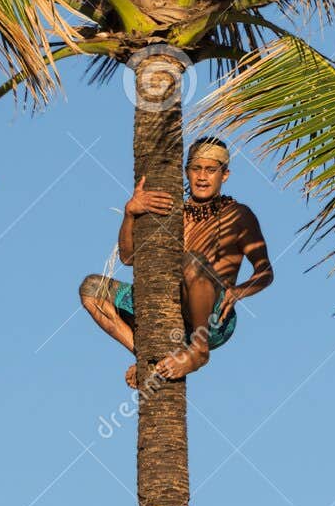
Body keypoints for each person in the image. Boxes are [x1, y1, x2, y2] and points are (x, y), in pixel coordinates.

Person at [79, 135, 274, 388]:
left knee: (193, 261)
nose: (202, 177)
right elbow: (129, 257)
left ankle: (198, 352)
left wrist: (239, 291)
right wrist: (130, 213)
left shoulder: (238, 215)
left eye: (210, 170)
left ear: (224, 175)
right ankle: (146, 358)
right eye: (196, 169)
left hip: (213, 319)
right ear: (186, 172)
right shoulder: (170, 211)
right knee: (91, 289)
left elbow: (265, 270)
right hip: (165, 308)